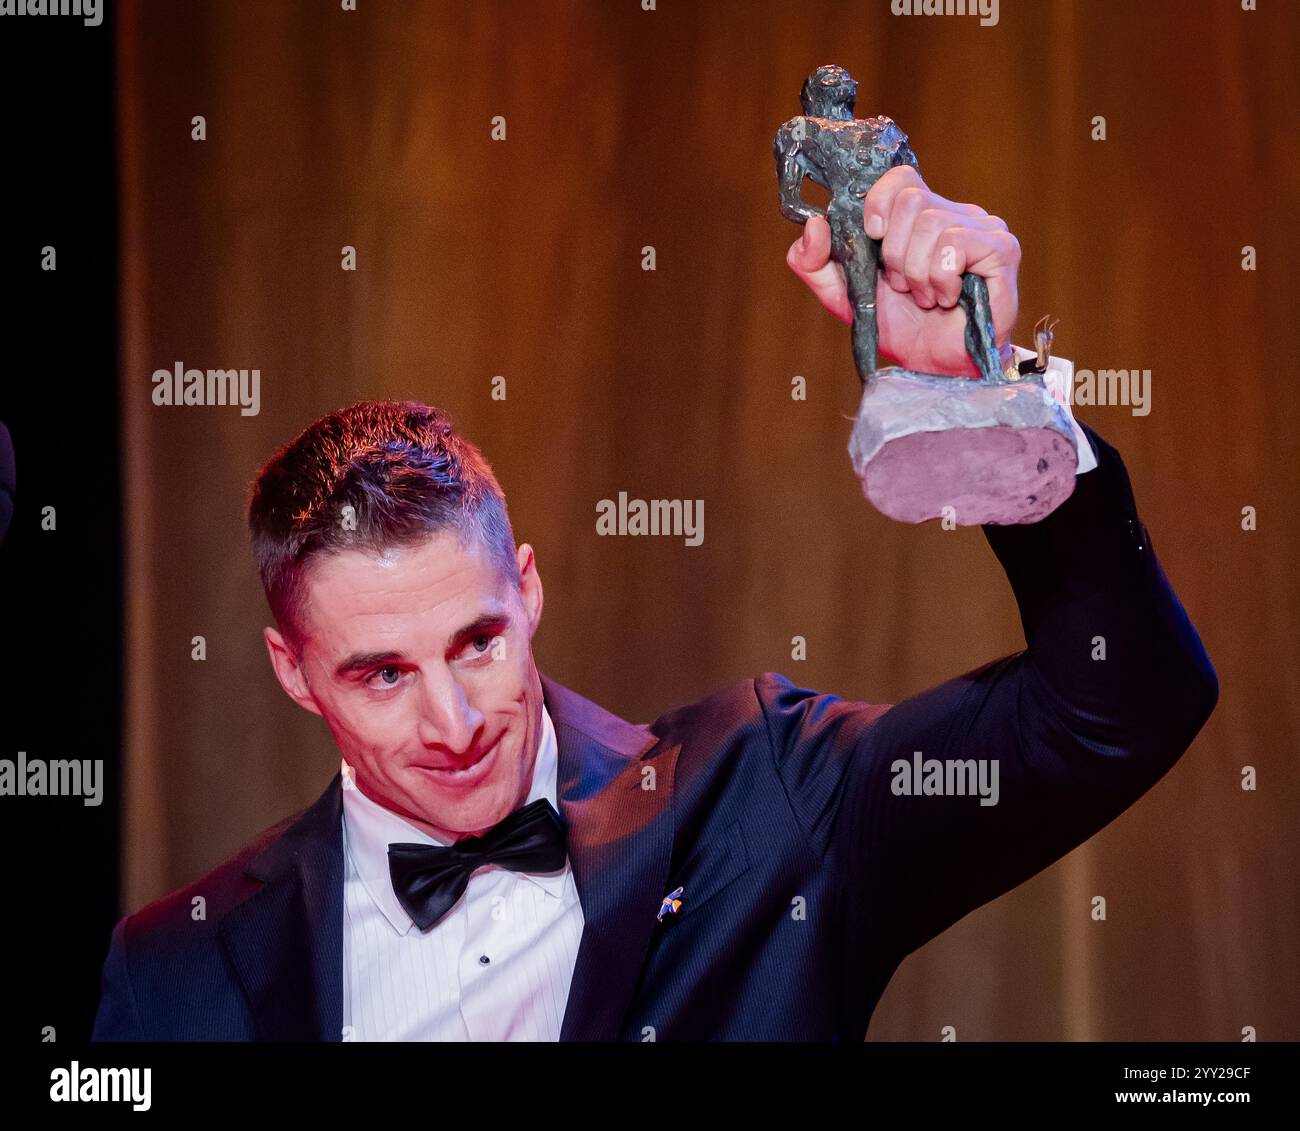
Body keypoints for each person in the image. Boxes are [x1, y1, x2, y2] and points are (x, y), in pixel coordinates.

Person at [91, 167, 1217, 1041]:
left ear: (526, 590)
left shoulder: (765, 803)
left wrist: (978, 400)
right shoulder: (178, 969)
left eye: (477, 642)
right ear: (290, 671)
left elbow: (1116, 711)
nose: (451, 722)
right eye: (381, 674)